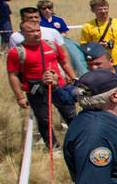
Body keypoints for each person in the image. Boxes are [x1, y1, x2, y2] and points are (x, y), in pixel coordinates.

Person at [7, 18, 77, 148]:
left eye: (38, 30)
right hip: (36, 90)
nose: (36, 34)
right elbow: (13, 75)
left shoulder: (51, 45)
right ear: (23, 33)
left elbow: (64, 62)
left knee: (71, 116)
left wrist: (74, 79)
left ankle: (77, 143)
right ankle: (53, 147)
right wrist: (20, 97)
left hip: (59, 86)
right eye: (31, 32)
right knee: (44, 120)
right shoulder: (16, 52)